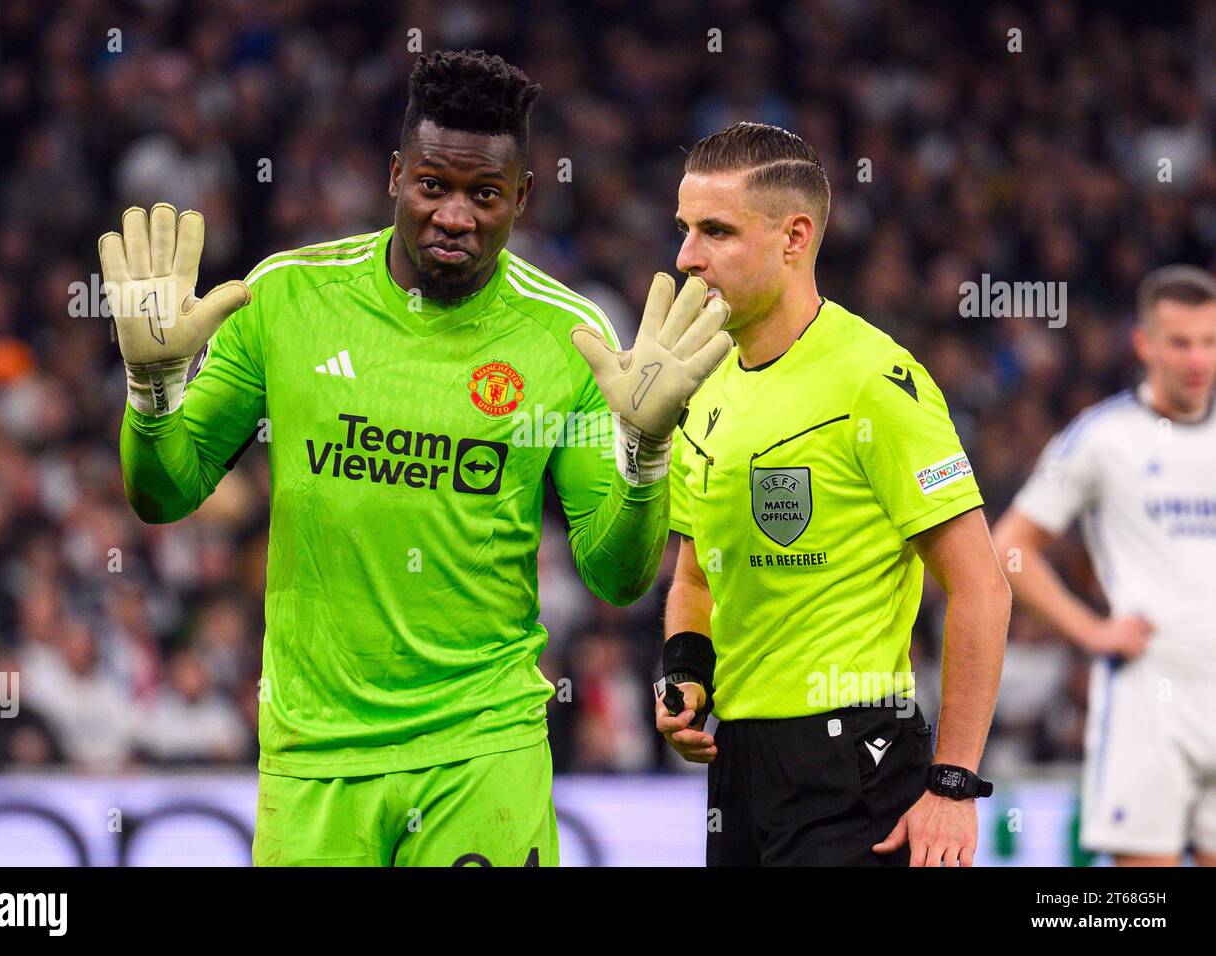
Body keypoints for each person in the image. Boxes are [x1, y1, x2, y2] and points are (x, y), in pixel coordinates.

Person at [100, 50, 730, 866]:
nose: (455, 216)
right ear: (395, 174)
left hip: (482, 746)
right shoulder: (288, 299)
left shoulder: (566, 337)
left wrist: (645, 456)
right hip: (315, 756)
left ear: (523, 198)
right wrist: (154, 391)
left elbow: (616, 575)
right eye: (433, 184)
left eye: (485, 194)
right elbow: (163, 495)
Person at [655, 122, 1011, 866]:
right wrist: (686, 670)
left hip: (855, 764)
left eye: (716, 231)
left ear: (794, 237)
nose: (688, 257)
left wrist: (953, 784)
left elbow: (981, 586)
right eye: (686, 230)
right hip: (740, 766)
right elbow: (694, 572)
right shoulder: (703, 384)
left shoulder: (874, 381)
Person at [993, 265, 1216, 867]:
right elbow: (1009, 547)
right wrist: (1092, 631)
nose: (1197, 359)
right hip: (1149, 698)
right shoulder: (1103, 437)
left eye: (1209, 341)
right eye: (1180, 342)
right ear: (1144, 344)